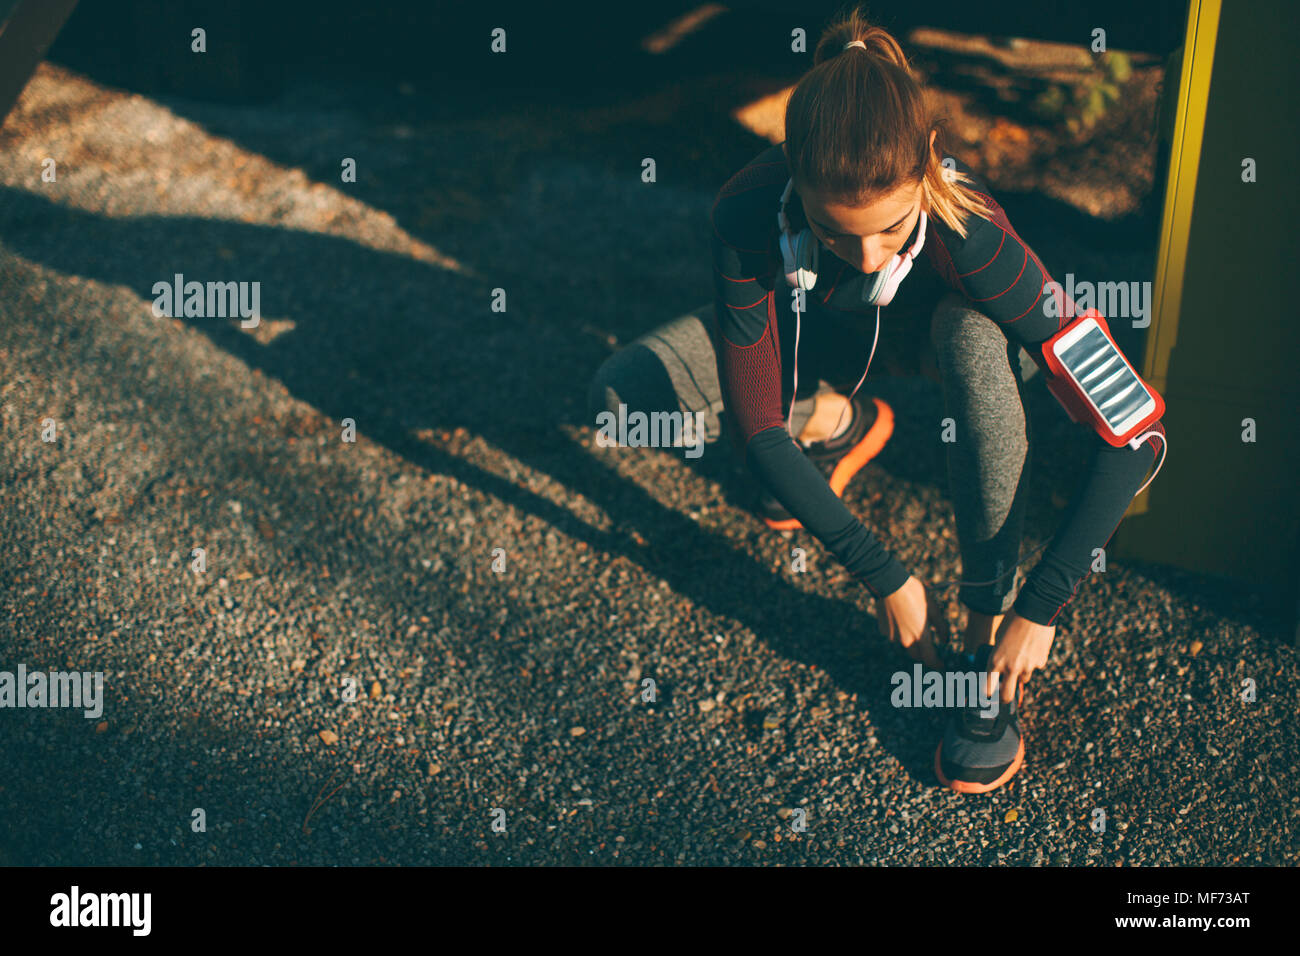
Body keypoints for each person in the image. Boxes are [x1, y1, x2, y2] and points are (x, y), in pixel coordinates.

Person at [587, 6, 1166, 793]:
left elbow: (1138, 435)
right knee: (622, 396)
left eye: (891, 230)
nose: (866, 256)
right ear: (795, 175)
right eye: (834, 233)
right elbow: (757, 428)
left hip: (935, 346)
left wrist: (1041, 607)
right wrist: (885, 575)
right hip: (812, 349)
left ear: (929, 164)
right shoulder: (747, 209)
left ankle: (979, 653)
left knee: (974, 336)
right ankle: (838, 423)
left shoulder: (978, 236)